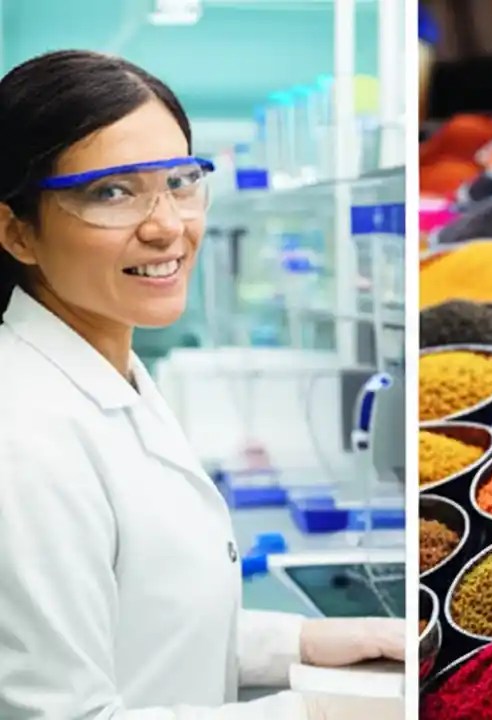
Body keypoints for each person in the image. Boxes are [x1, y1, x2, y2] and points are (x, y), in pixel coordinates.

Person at [0, 51, 403, 719]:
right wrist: (326, 713)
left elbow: (138, 622)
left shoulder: (107, 372)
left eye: (180, 181)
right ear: (16, 231)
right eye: (112, 192)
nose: (167, 226)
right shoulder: (22, 433)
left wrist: (302, 641)